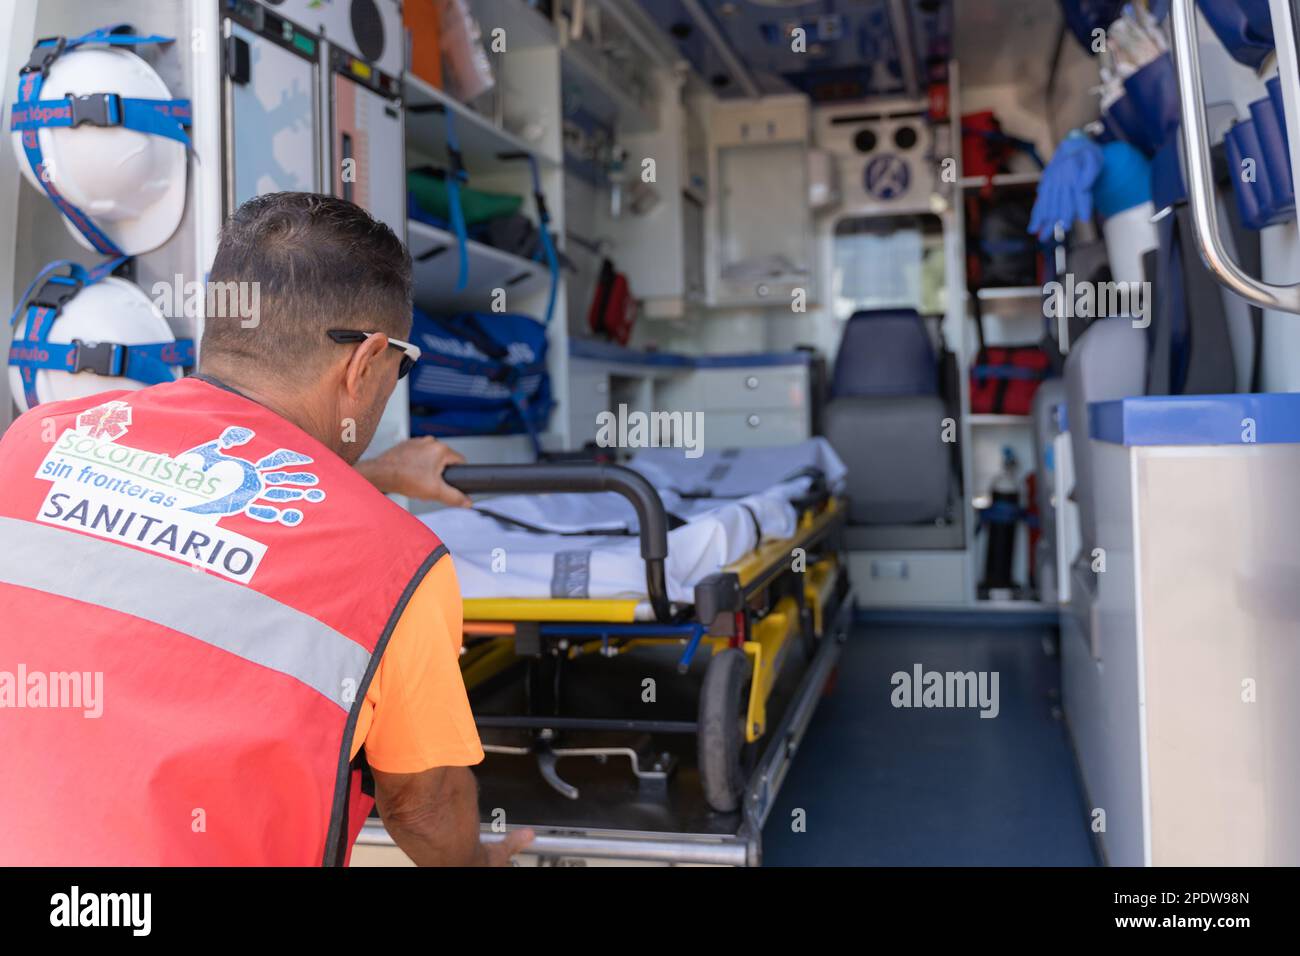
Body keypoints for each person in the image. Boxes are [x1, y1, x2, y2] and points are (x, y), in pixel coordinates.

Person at [0, 192, 532, 866]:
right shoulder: (399, 565)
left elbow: (193, 503)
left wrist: (383, 474)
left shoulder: (32, 444)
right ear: (365, 362)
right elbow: (422, 806)